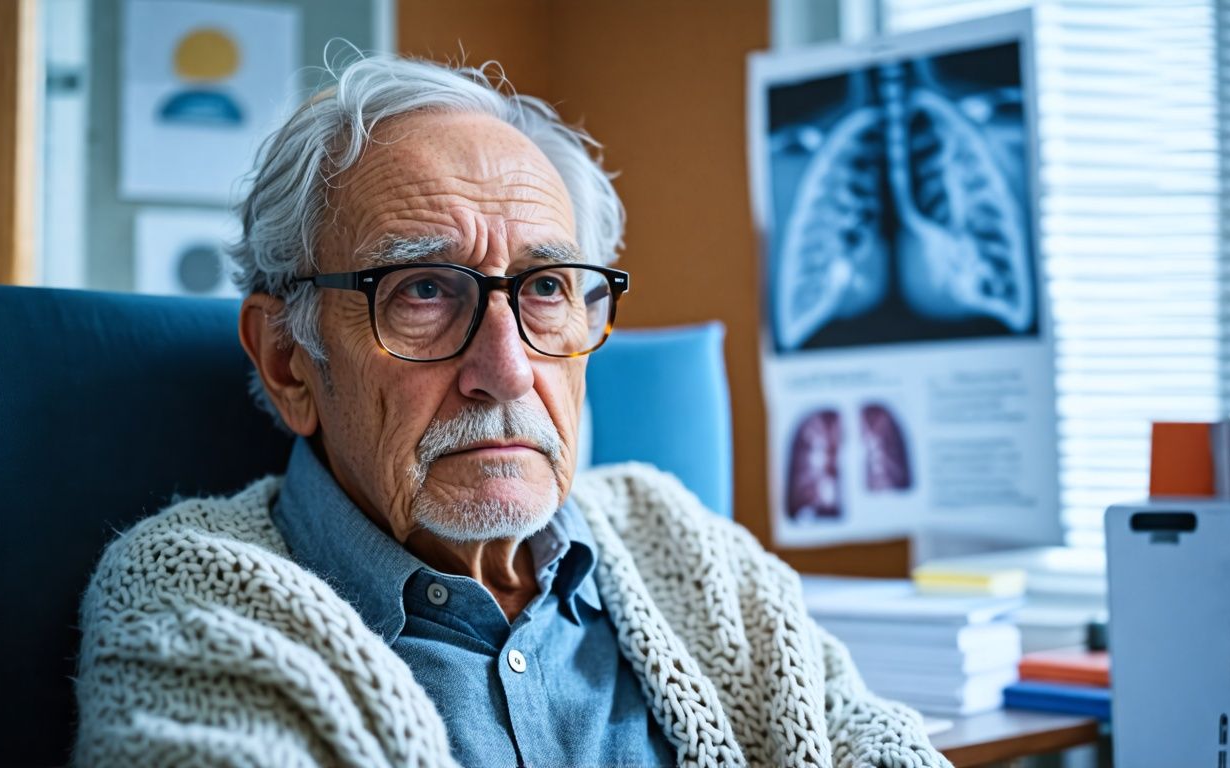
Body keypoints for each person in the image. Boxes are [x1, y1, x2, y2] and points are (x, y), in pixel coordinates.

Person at [74, 53, 950, 768]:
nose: (507, 369)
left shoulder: (680, 542)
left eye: (547, 289)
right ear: (288, 362)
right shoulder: (192, 599)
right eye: (422, 290)